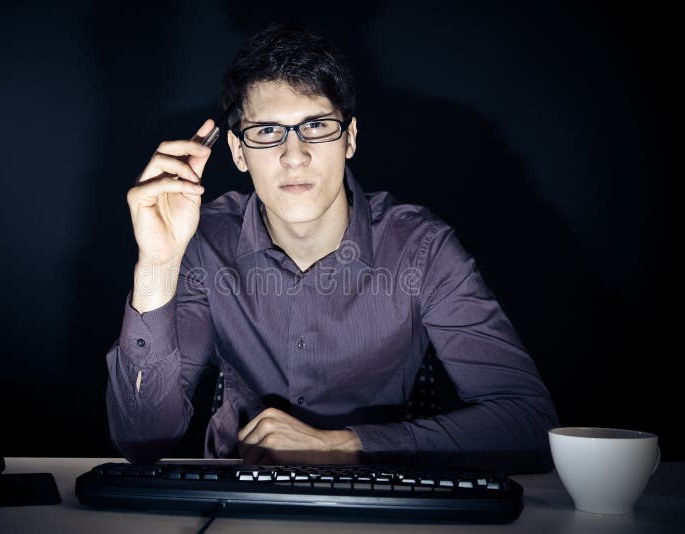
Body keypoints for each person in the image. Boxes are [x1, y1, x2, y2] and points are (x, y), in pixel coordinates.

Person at [106, 23, 559, 472]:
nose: (295, 155)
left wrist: (346, 447)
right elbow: (142, 440)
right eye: (267, 131)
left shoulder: (422, 249)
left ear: (351, 139)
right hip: (239, 503)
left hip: (381, 504)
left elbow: (529, 424)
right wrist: (157, 265)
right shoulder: (204, 242)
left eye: (317, 126)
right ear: (238, 152)